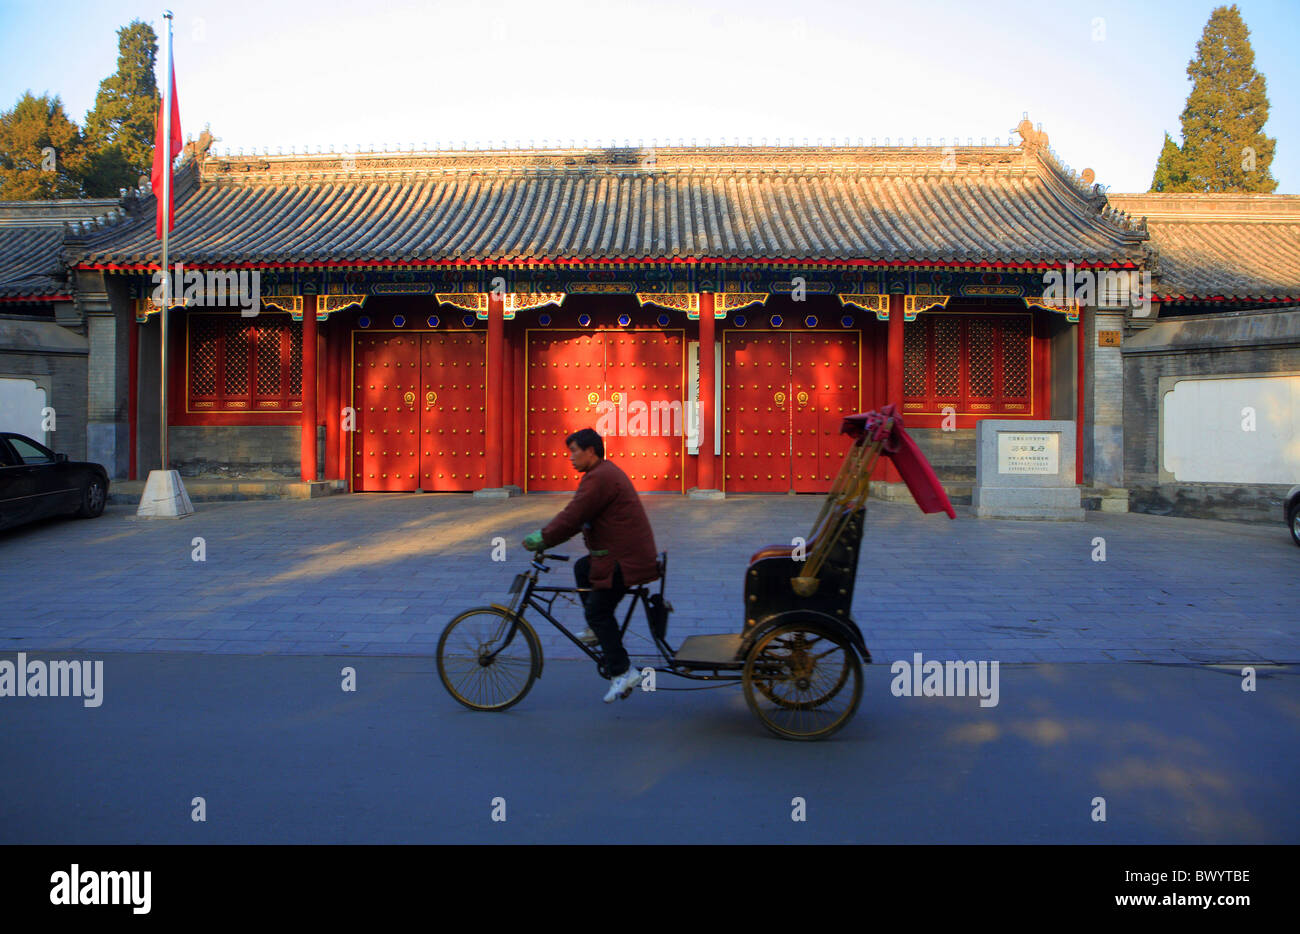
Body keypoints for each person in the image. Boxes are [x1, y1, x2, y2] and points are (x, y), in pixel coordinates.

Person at [522, 428, 660, 703]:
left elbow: (573, 516)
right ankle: (596, 632)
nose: (570, 457)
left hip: (625, 559)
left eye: (574, 451)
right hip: (622, 554)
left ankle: (622, 671)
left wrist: (543, 539)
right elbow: (578, 517)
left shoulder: (600, 478)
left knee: (598, 612)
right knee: (582, 568)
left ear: (591, 451)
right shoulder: (600, 474)